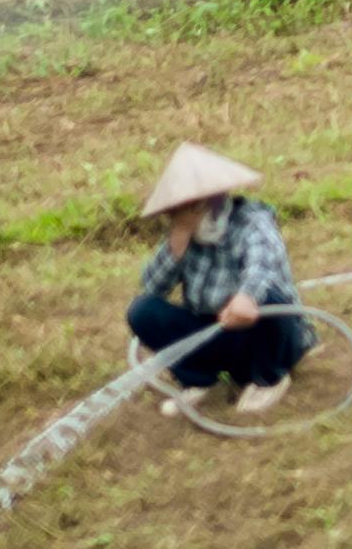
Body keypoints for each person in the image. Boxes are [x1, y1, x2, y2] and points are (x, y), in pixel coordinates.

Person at [128, 143, 313, 418]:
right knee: (143, 312)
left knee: (269, 297)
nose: (187, 216)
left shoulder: (251, 221)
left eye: (194, 207)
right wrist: (177, 244)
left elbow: (262, 266)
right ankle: (200, 379)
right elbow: (153, 287)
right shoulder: (183, 235)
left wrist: (246, 297)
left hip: (266, 333)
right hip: (217, 330)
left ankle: (269, 378)